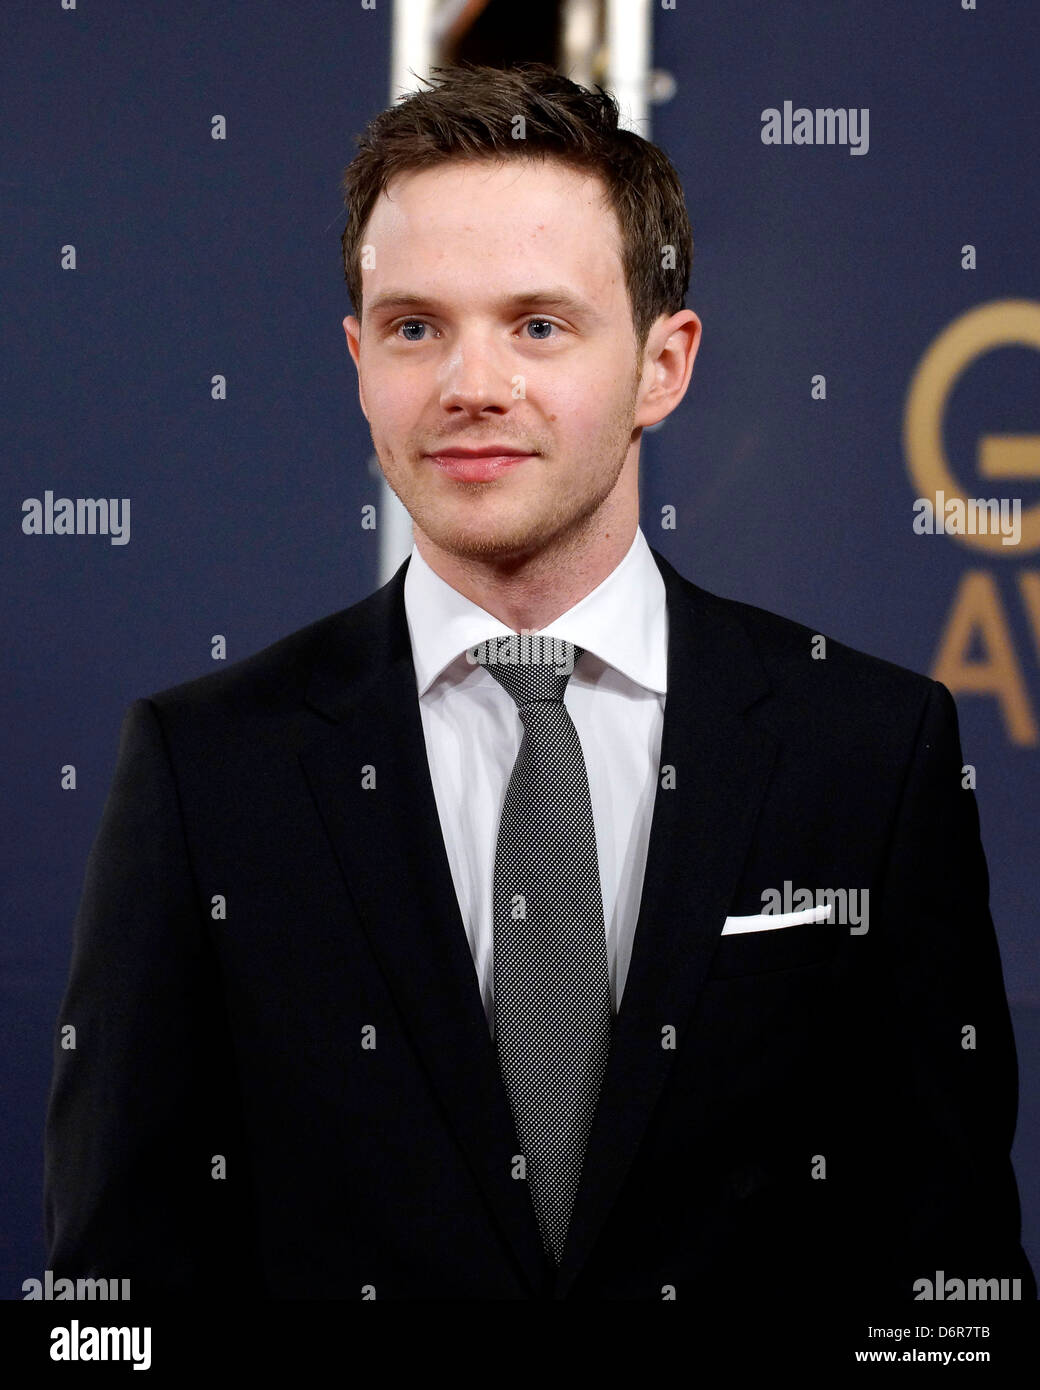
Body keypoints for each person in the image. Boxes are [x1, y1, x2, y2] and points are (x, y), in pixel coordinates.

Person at [44, 61, 1033, 1302]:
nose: (470, 387)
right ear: (357, 361)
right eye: (414, 327)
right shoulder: (205, 769)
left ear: (661, 366)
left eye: (537, 325)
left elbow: (948, 1286)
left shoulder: (867, 748)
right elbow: (112, 1302)